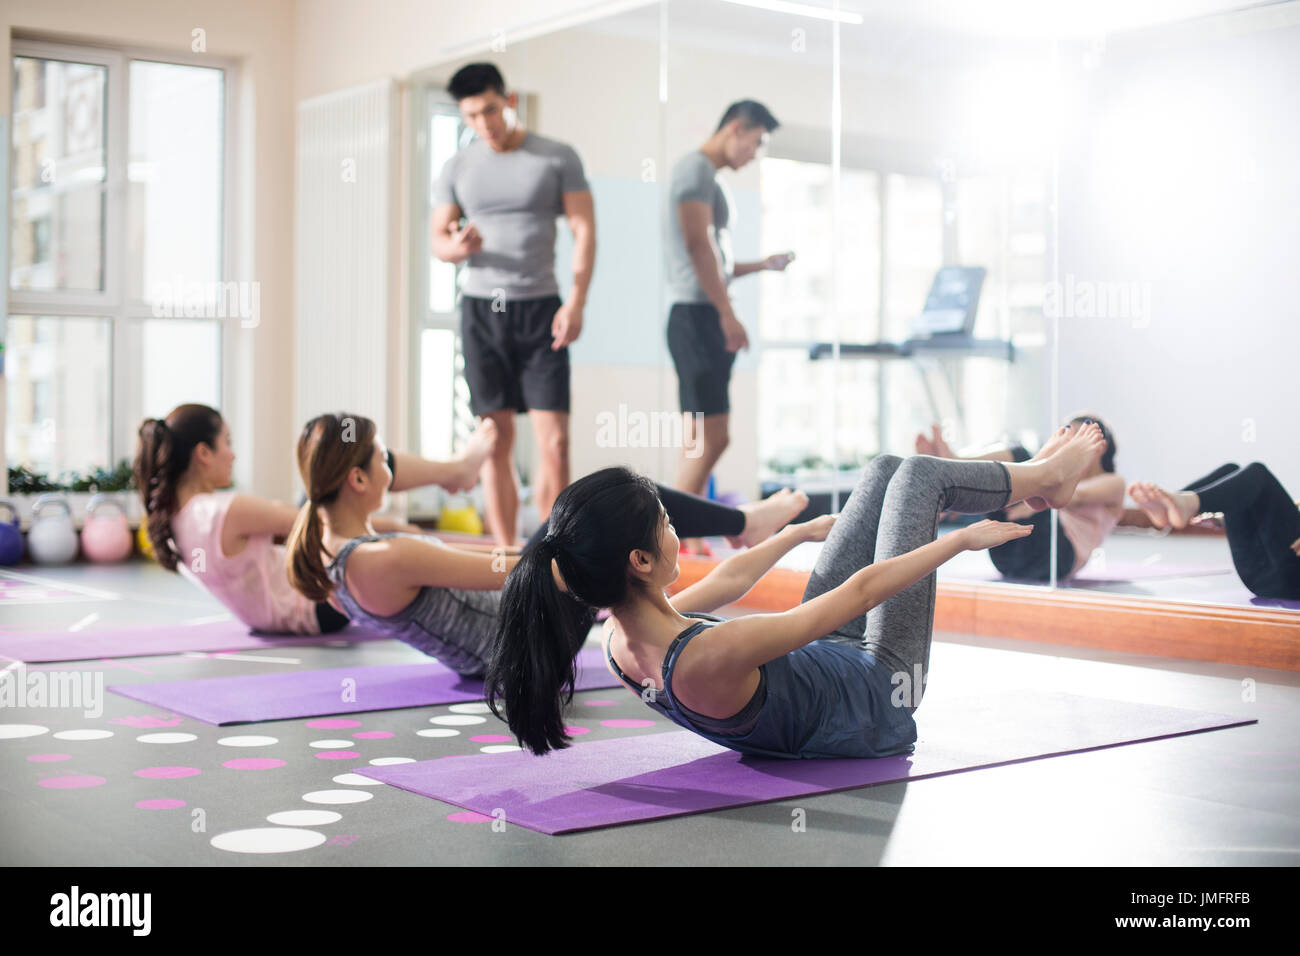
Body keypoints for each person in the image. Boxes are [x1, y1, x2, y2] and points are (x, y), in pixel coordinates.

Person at [487, 424, 1108, 758]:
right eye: (670, 525)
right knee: (918, 479)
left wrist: (797, 533)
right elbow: (856, 596)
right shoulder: (705, 658)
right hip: (877, 692)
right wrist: (958, 543)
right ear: (641, 560)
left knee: (885, 470)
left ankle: (1041, 480)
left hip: (830, 660)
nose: (680, 534)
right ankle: (1049, 478)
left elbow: (729, 579)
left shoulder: (620, 637)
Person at [284, 413, 810, 676]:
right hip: (527, 642)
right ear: (356, 480)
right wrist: (586, 549)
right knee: (613, 497)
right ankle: (741, 524)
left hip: (504, 640)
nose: (391, 468)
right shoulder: (383, 557)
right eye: (382, 461)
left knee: (591, 507)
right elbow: (511, 569)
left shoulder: (328, 549)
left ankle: (742, 525)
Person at [132, 403, 496, 635]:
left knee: (329, 477)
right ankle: (458, 470)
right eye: (227, 441)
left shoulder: (168, 522)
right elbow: (318, 522)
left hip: (273, 618)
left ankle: (455, 471)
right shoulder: (223, 510)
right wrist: (401, 531)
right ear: (203, 454)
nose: (234, 453)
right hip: (320, 603)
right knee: (346, 454)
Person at [431, 62, 595, 548]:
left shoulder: (556, 157)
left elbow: (584, 229)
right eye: (471, 117)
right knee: (495, 443)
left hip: (542, 310)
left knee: (556, 446)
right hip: (482, 312)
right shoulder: (456, 168)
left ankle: (555, 560)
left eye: (490, 110)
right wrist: (459, 246)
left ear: (510, 101)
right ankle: (505, 562)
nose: (484, 125)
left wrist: (578, 301)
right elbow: (438, 241)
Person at [665, 100, 794, 555]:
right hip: (698, 317)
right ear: (736, 129)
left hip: (698, 314)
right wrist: (725, 314)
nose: (754, 153)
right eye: (756, 142)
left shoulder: (705, 176)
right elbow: (699, 246)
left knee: (700, 437)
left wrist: (763, 264)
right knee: (714, 436)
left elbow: (713, 260)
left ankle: (684, 534)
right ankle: (670, 534)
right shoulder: (695, 171)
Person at [916, 414, 1124, 581]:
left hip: (1057, 558)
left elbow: (1079, 495)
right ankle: (953, 470)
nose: (1067, 447)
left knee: (1021, 455)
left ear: (1100, 446)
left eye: (1076, 439)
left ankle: (954, 464)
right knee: (1006, 479)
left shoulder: (1114, 482)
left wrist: (1037, 498)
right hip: (1007, 556)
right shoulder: (1057, 478)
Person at [1129, 464, 1300, 600]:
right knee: (1231, 472)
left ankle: (1184, 505)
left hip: (1291, 578)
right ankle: (1171, 507)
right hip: (1263, 578)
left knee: (1258, 474)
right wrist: (1220, 519)